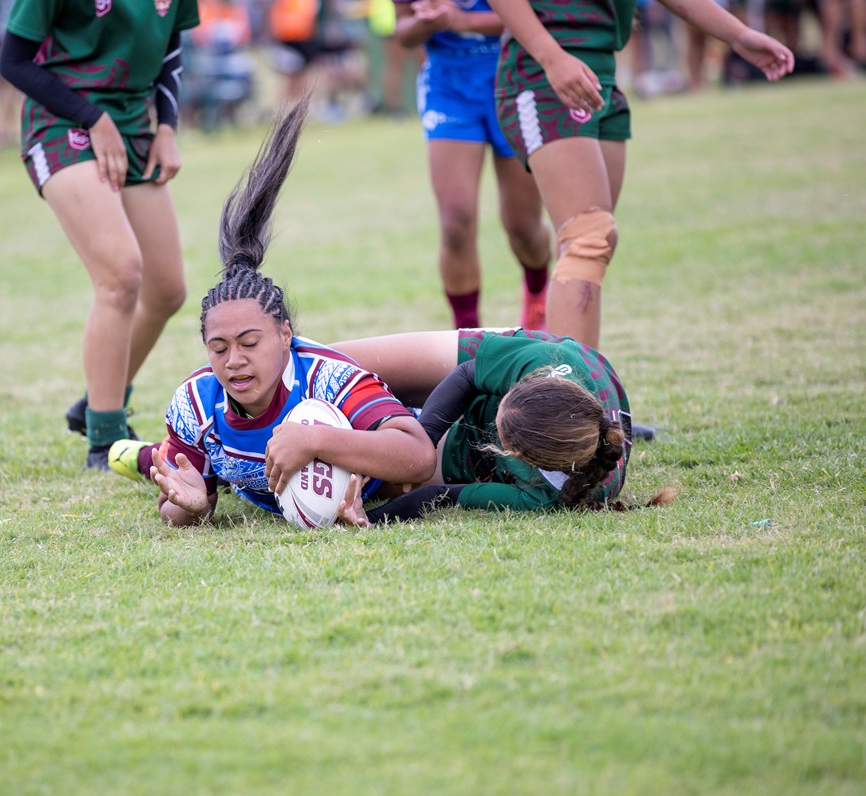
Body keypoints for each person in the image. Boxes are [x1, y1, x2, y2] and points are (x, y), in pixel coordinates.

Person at [112, 97, 437, 526]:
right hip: (223, 457)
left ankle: (136, 453)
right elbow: (178, 505)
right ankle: (140, 456)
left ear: (286, 335)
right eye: (218, 348)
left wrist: (315, 441)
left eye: (249, 342)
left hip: (409, 445)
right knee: (166, 458)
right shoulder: (196, 401)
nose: (234, 361)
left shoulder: (327, 377)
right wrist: (190, 505)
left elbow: (418, 457)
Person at [487, 0, 794, 350]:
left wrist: (738, 36)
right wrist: (551, 58)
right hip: (544, 73)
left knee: (589, 245)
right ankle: (569, 392)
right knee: (587, 238)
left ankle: (569, 387)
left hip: (600, 71)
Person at [0, 0, 199, 470]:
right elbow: (12, 61)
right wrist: (92, 117)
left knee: (167, 290)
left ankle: (94, 403)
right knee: (121, 275)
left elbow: (170, 46)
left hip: (132, 123)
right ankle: (105, 438)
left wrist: (166, 127)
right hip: (62, 120)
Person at [330, 328, 676, 523]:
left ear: (519, 454)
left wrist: (372, 519)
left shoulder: (548, 496)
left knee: (370, 470)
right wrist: (419, 443)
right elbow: (469, 375)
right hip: (517, 358)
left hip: (485, 455)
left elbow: (440, 496)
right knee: (339, 364)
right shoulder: (549, 363)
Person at [393, 0, 553, 331]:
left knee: (523, 226)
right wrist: (428, 22)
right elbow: (403, 32)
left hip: (513, 79)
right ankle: (468, 337)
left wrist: (463, 20)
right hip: (448, 86)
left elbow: (538, 18)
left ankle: (538, 295)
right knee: (455, 223)